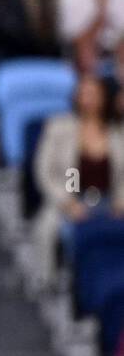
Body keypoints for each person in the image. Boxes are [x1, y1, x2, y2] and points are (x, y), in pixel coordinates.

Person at [31, 75, 124, 286]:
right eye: (84, 94)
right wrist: (68, 202)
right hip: (71, 197)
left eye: (93, 94)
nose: (88, 99)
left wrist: (121, 202)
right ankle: (52, 281)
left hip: (111, 199)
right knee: (49, 227)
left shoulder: (118, 132)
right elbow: (45, 171)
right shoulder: (59, 128)